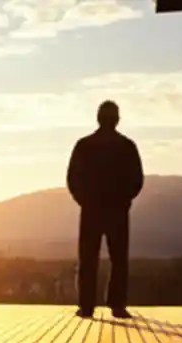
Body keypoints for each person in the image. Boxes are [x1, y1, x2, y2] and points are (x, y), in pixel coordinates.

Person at [67, 99, 144, 319]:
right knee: (119, 258)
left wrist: (84, 200)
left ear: (98, 118)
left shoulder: (84, 145)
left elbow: (73, 179)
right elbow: (137, 179)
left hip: (91, 209)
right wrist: (124, 200)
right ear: (117, 119)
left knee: (88, 257)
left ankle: (86, 306)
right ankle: (117, 305)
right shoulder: (127, 146)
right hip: (117, 211)